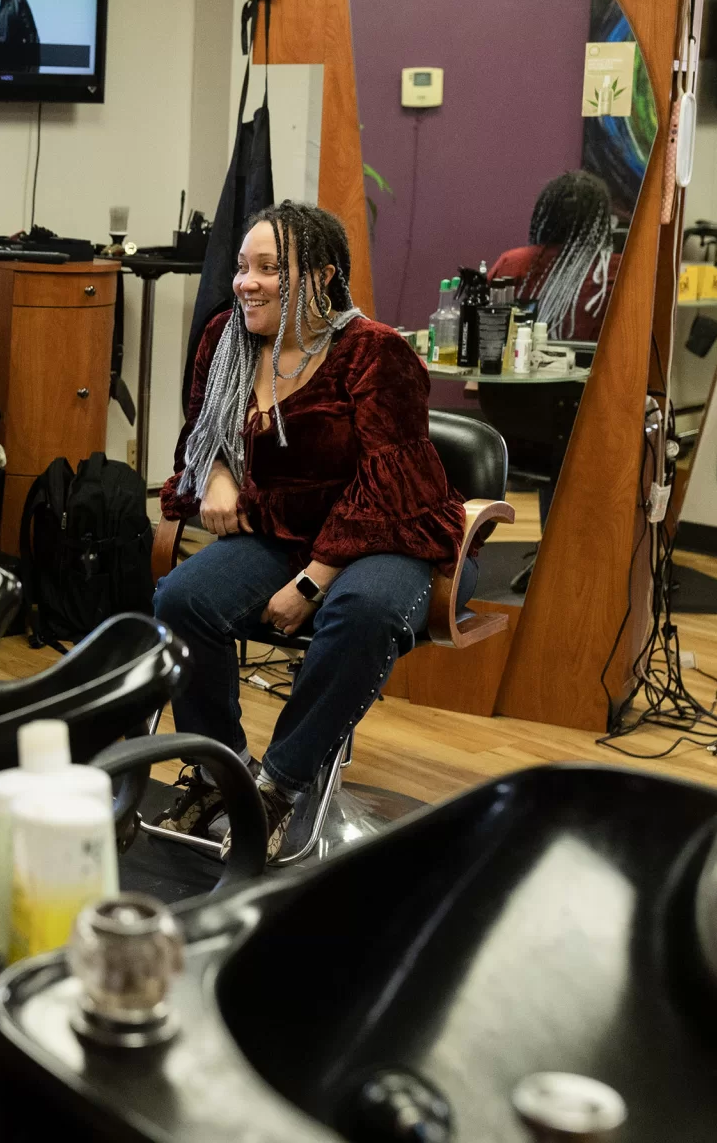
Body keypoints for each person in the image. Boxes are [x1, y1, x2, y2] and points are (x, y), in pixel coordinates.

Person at [152, 201, 478, 859]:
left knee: (360, 610)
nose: (245, 282)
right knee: (180, 599)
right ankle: (223, 772)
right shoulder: (225, 338)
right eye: (243, 267)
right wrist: (215, 475)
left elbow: (387, 488)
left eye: (269, 268)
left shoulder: (374, 351)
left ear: (322, 276)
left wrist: (310, 580)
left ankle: (279, 784)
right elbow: (202, 432)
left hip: (395, 533)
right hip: (284, 529)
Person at [492, 170, 618, 341]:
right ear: (602, 221)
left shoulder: (513, 263)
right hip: (594, 366)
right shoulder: (619, 270)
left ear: (544, 215)